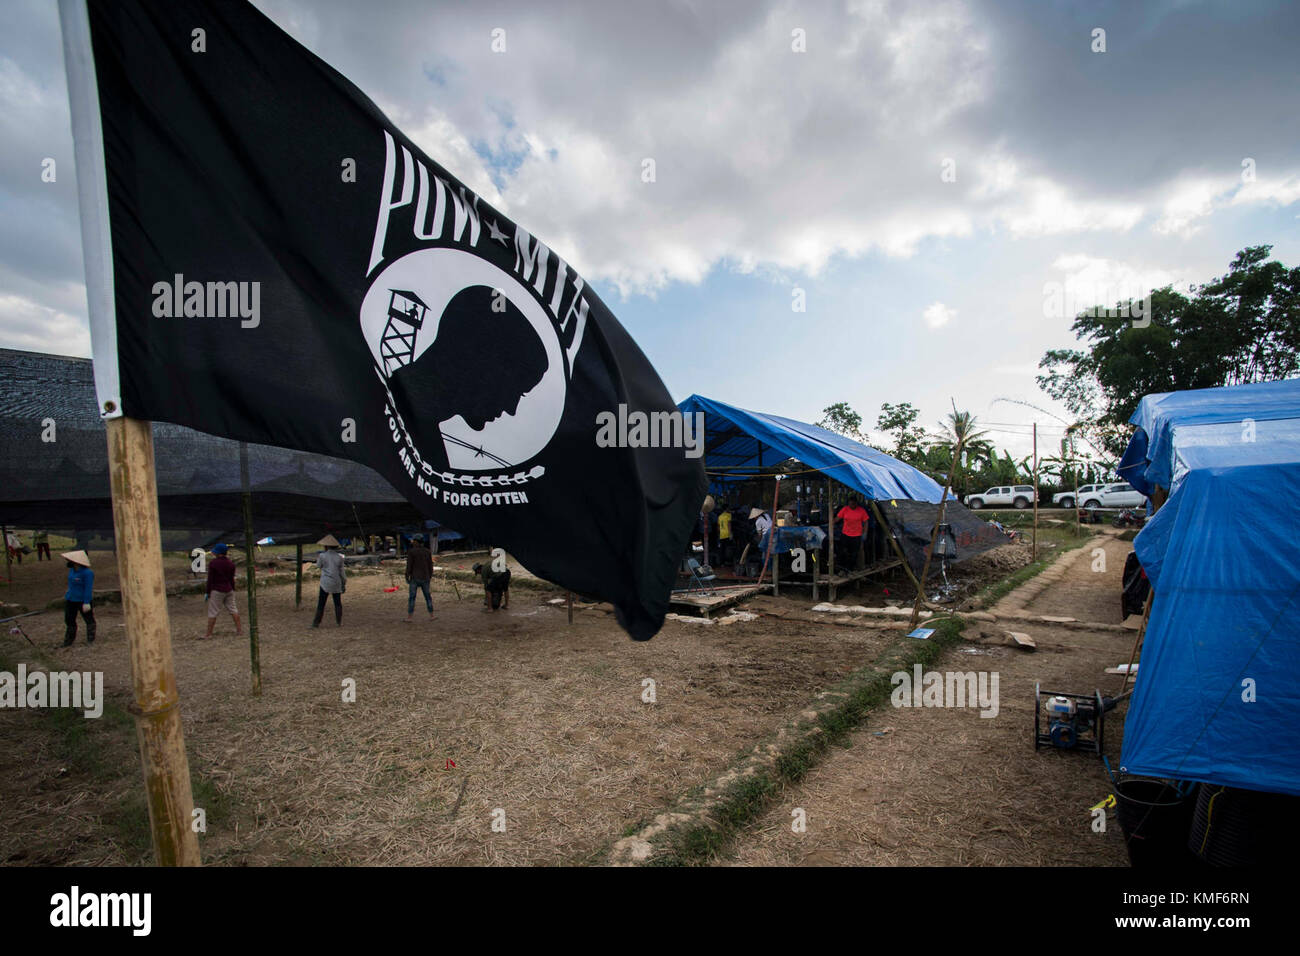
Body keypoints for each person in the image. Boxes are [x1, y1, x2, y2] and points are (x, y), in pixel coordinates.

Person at [203, 543, 242, 639]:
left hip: (217, 590)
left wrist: (208, 592)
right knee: (233, 610)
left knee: (213, 612)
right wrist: (232, 589)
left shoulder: (213, 563)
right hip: (229, 589)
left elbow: (210, 579)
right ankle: (239, 630)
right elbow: (231, 579)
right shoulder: (231, 564)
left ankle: (208, 634)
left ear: (218, 553)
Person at [61, 550, 95, 646]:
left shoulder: (88, 573)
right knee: (69, 619)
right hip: (71, 599)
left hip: (82, 600)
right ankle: (68, 641)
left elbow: (88, 588)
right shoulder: (72, 571)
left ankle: (90, 639)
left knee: (89, 619)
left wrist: (86, 602)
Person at [311, 534, 346, 628]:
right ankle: (339, 622)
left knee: (321, 603)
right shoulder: (339, 557)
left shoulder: (322, 556)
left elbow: (318, 566)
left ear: (326, 546)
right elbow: (342, 573)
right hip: (336, 581)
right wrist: (344, 584)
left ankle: (316, 623)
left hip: (325, 582)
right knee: (337, 602)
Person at [835, 496, 871, 571]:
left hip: (857, 535)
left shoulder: (861, 511)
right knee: (842, 551)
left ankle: (851, 568)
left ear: (856, 504)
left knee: (854, 553)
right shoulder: (845, 509)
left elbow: (866, 522)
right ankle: (841, 568)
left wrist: (865, 532)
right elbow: (837, 518)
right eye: (850, 504)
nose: (852, 506)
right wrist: (831, 523)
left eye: (853, 504)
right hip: (845, 534)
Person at [405, 535, 435, 622]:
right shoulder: (427, 551)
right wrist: (430, 576)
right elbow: (430, 565)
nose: (413, 542)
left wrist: (407, 576)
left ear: (416, 542)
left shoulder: (412, 552)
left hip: (415, 577)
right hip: (425, 577)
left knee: (412, 597)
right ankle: (432, 615)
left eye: (414, 541)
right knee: (428, 597)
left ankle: (410, 617)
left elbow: (409, 566)